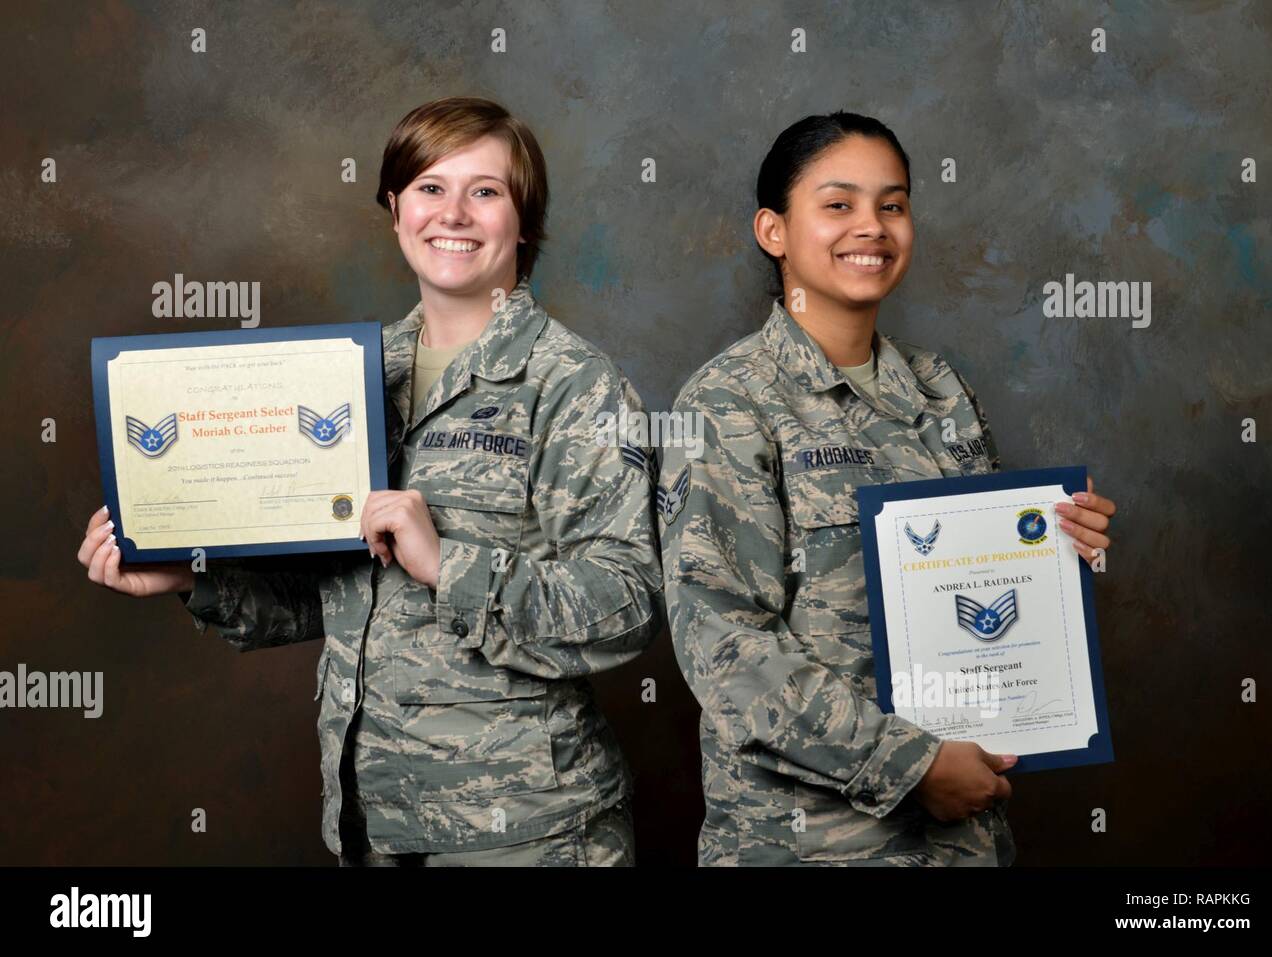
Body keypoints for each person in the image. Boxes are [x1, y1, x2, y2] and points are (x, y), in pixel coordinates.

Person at [77, 96, 665, 866]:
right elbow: (330, 593)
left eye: (484, 191)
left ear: (525, 220)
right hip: (372, 823)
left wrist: (447, 564)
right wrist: (187, 575)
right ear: (395, 209)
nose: (452, 212)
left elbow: (628, 604)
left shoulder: (575, 384)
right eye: (428, 187)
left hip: (526, 830)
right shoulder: (346, 378)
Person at [656, 111, 1118, 866]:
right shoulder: (726, 405)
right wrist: (912, 765)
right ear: (773, 231)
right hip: (811, 845)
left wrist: (1065, 546)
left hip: (963, 839)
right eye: (838, 204)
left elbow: (988, 590)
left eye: (892, 205)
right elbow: (727, 650)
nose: (870, 226)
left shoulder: (942, 389)